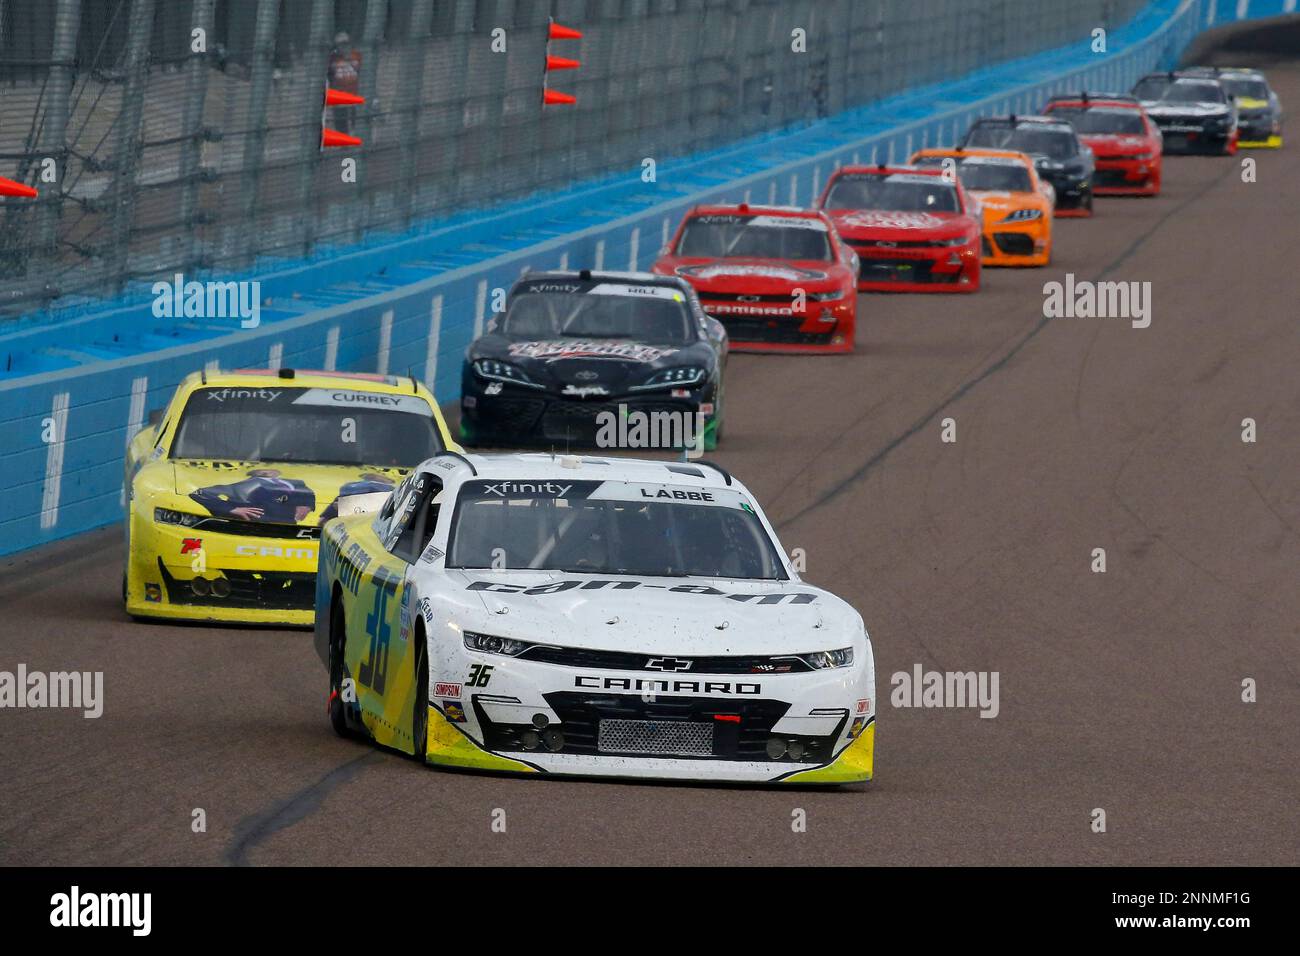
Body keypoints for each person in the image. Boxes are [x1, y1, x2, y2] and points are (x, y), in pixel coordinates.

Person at [190, 469, 316, 523]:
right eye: (261, 471)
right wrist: (231, 509)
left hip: (292, 526)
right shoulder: (243, 485)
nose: (266, 472)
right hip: (258, 527)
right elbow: (198, 493)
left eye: (270, 470)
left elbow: (308, 493)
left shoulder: (297, 482)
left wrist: (307, 505)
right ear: (254, 474)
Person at [327, 31, 362, 135]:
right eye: (341, 44)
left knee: (356, 116)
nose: (344, 47)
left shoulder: (356, 56)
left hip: (354, 91)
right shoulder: (332, 58)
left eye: (346, 44)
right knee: (340, 118)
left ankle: (356, 134)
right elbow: (329, 75)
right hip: (339, 93)